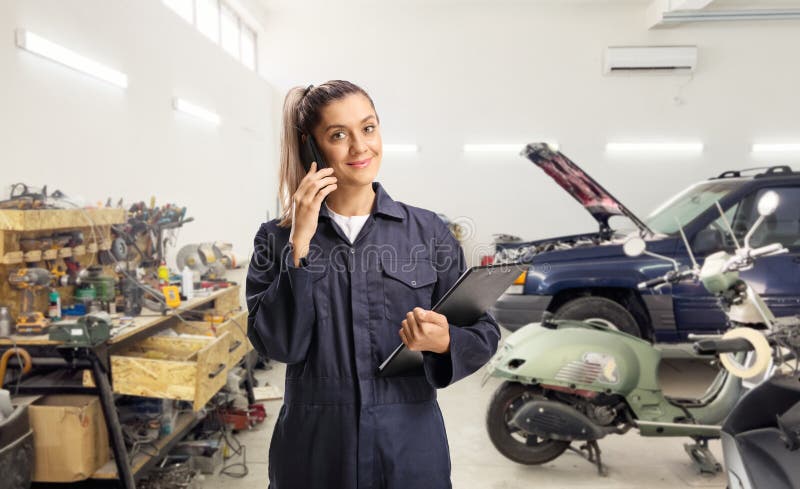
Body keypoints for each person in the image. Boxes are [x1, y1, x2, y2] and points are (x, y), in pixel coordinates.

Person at [246, 80, 500, 489]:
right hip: (315, 451)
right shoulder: (275, 240)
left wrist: (444, 341)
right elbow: (279, 346)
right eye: (338, 135)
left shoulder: (427, 231)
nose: (360, 147)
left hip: (409, 447)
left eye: (368, 128)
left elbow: (484, 332)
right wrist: (301, 245)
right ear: (312, 147)